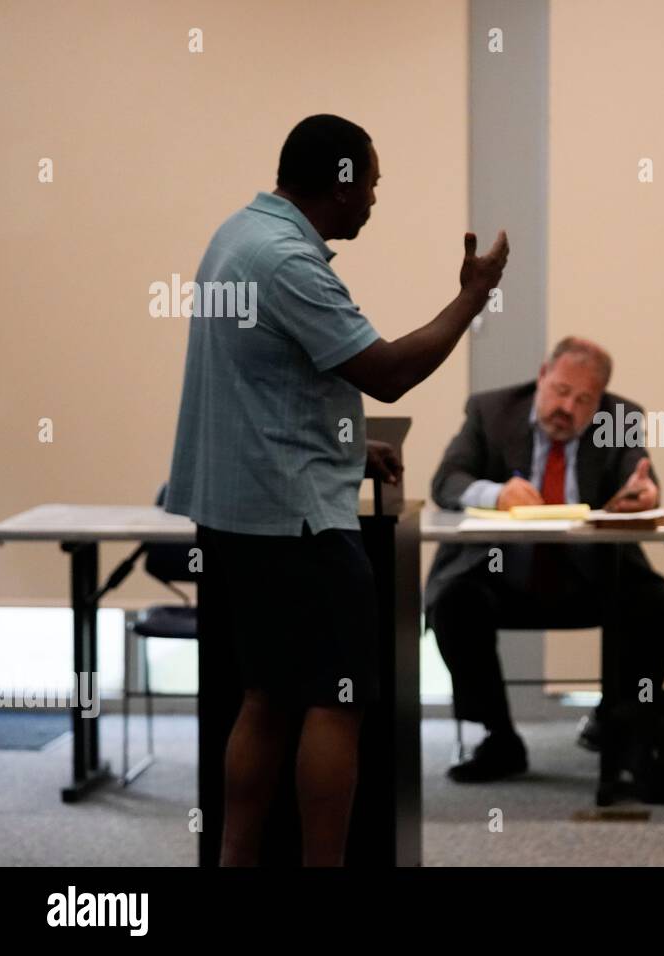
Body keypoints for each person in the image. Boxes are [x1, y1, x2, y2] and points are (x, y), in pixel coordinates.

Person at [165, 115, 509, 865]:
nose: (377, 199)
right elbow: (385, 371)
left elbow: (259, 391)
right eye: (373, 181)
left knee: (267, 696)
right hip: (298, 529)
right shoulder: (289, 261)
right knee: (336, 702)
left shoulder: (237, 236)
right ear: (342, 181)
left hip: (239, 514)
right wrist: (472, 298)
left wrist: (344, 446)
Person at [424, 336, 664, 783]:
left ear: (599, 400)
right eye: (561, 391)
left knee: (661, 606)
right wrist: (496, 494)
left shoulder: (620, 418)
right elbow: (447, 481)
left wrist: (642, 497)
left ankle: (616, 722)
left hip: (589, 578)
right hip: (499, 576)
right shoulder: (491, 410)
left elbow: (641, 481)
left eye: (584, 400)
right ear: (543, 375)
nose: (568, 407)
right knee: (453, 604)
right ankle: (498, 736)